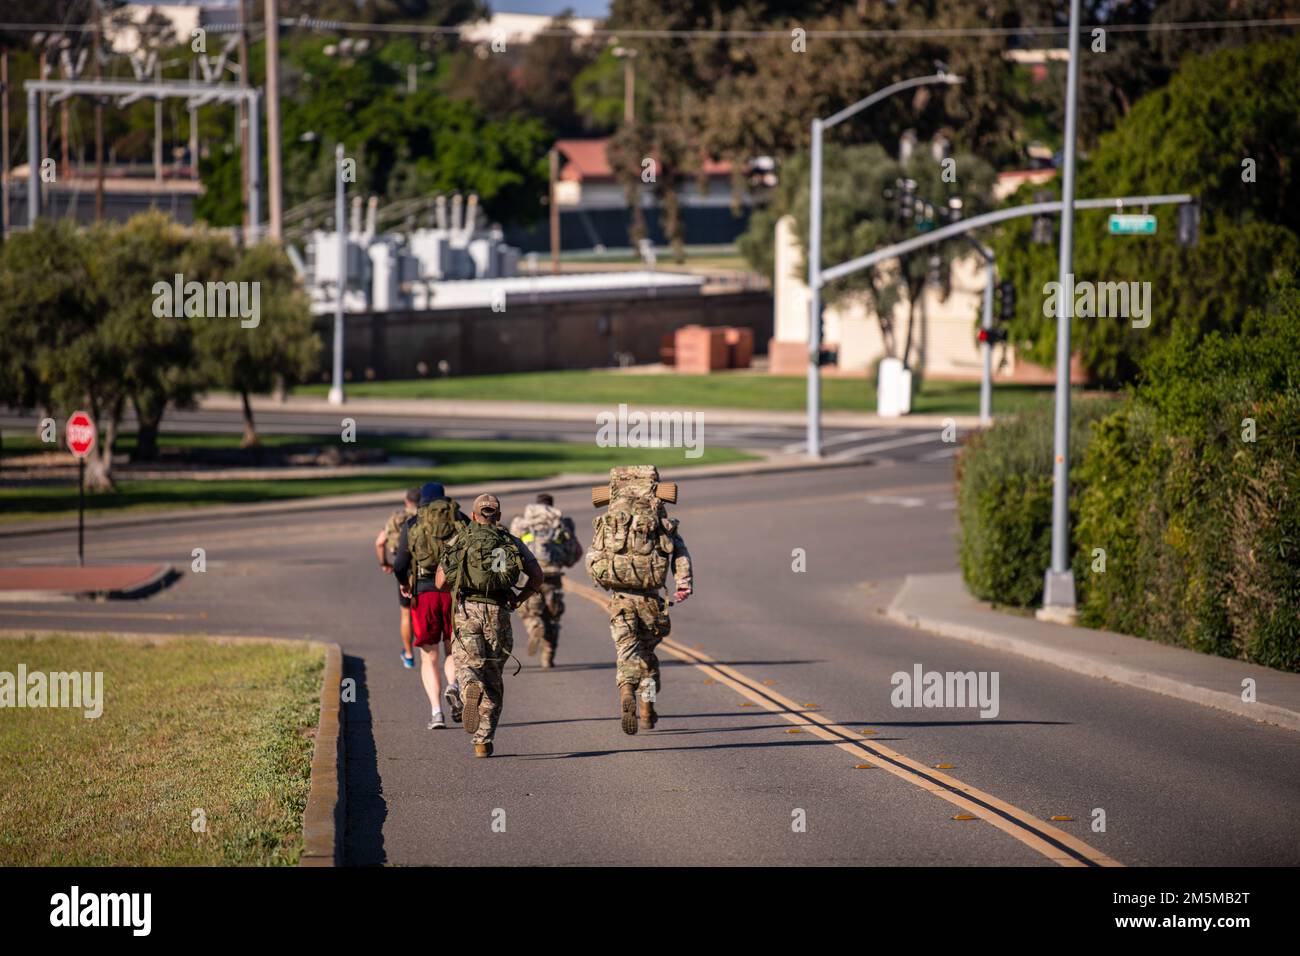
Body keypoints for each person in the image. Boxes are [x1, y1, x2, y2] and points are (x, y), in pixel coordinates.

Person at [433, 493, 544, 758]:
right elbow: (537, 576)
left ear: (473, 516)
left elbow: (439, 583)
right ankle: (483, 741)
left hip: (466, 610)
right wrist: (519, 599)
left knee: (467, 664)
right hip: (498, 613)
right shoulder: (510, 541)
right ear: (499, 516)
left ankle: (470, 685)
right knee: (493, 678)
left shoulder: (460, 539)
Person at [586, 466, 692, 735]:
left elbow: (594, 553)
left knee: (626, 651)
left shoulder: (612, 513)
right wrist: (683, 583)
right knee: (649, 659)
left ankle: (626, 692)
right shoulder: (656, 512)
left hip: (620, 597)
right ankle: (647, 708)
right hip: (651, 600)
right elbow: (679, 551)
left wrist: (599, 576)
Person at [393, 482, 467, 730]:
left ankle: (436, 713)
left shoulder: (413, 523)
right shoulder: (459, 518)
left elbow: (400, 564)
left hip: (423, 594)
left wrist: (404, 584)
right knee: (452, 649)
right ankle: (454, 685)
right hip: (454, 593)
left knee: (429, 656)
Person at [508, 493, 583, 668]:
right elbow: (575, 551)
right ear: (552, 505)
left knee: (528, 610)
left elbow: (510, 548)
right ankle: (548, 655)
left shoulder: (521, 523)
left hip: (530, 573)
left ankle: (534, 626)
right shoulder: (560, 523)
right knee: (553, 616)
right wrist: (564, 561)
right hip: (553, 575)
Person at [376, 487, 421, 668]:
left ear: (406, 501)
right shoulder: (429, 517)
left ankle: (409, 654)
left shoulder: (397, 518)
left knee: (406, 613)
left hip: (404, 568)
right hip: (426, 569)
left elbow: (380, 542)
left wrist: (384, 563)